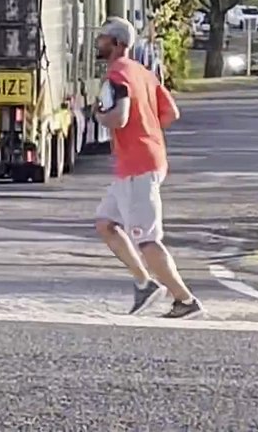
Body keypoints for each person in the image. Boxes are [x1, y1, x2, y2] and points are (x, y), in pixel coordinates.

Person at [93, 17, 202, 319]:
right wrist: (147, 126)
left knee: (147, 239)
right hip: (145, 160)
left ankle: (185, 299)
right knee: (105, 223)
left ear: (116, 44)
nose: (97, 42)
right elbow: (170, 113)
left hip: (137, 166)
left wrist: (100, 116)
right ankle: (145, 284)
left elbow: (119, 118)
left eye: (102, 38)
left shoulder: (117, 74)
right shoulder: (143, 72)